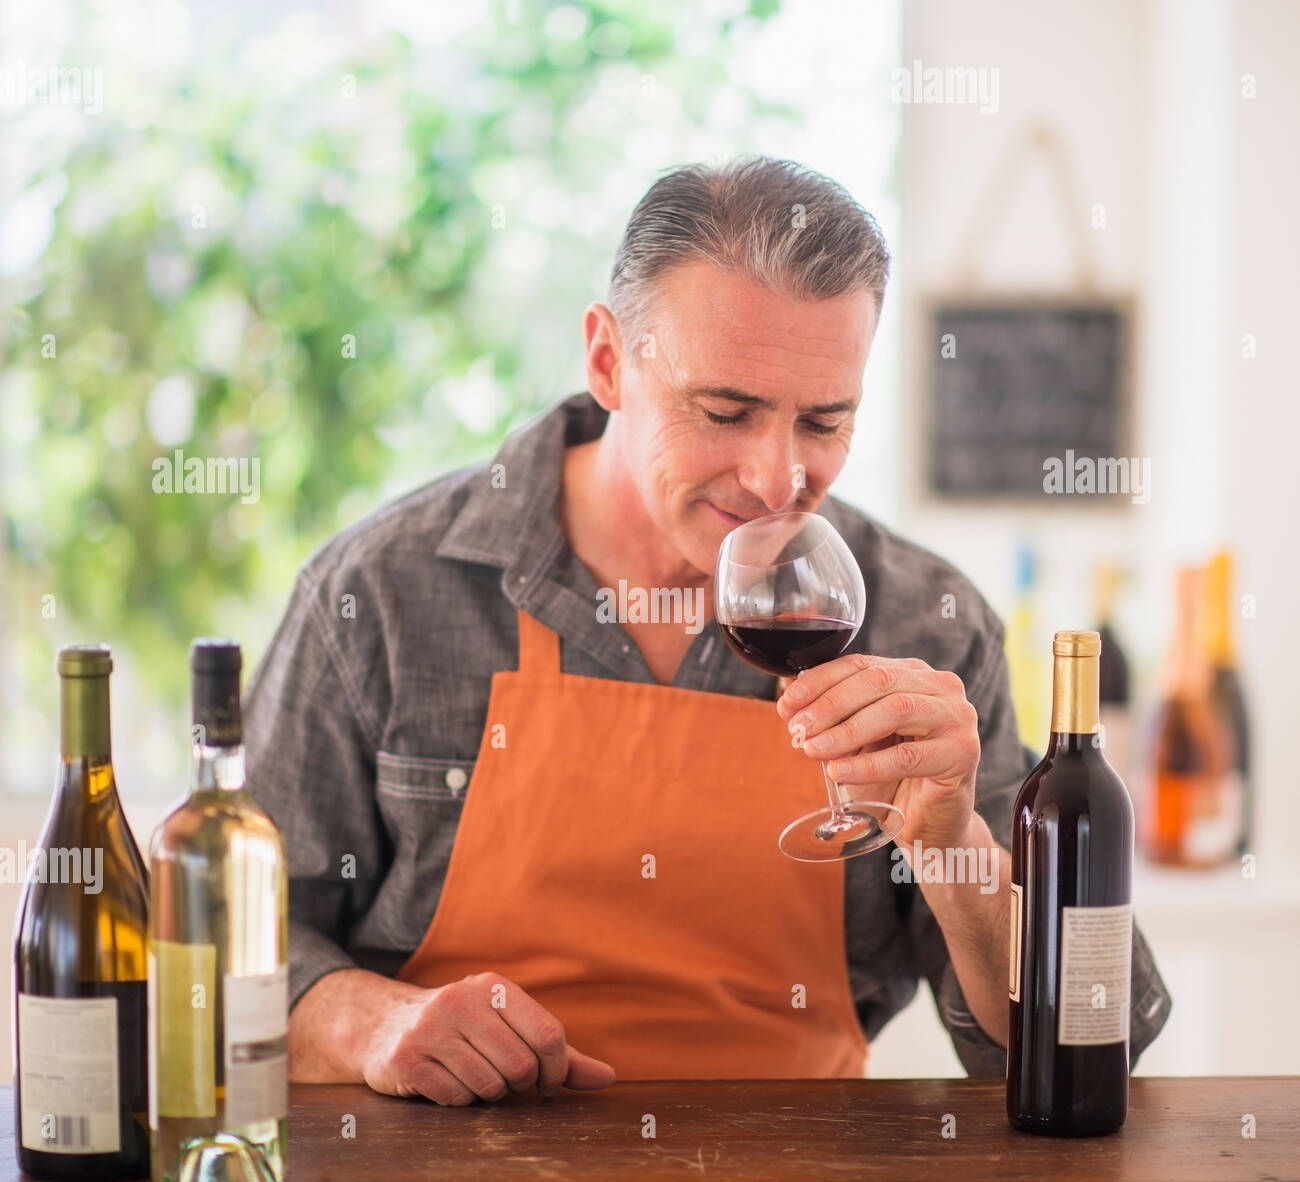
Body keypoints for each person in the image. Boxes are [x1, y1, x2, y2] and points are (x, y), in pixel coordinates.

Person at [244, 156, 1171, 1104]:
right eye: (725, 411)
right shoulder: (380, 594)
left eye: (824, 422)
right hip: (451, 1180)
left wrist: (953, 846)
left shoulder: (923, 622)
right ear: (608, 360)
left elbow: (1093, 1031)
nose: (777, 479)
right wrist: (370, 1021)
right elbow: (223, 944)